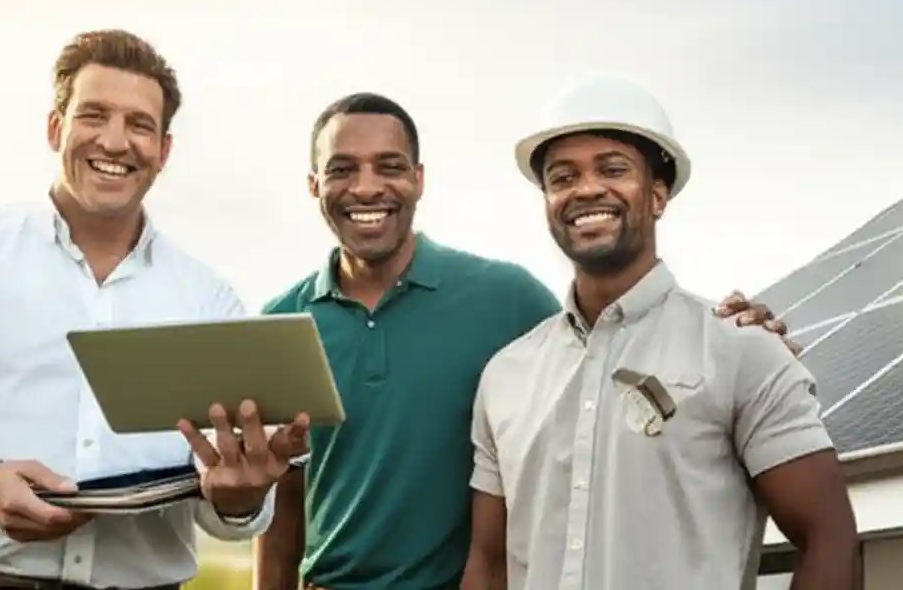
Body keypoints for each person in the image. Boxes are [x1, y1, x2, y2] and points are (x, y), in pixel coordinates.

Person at [254, 93, 798, 590]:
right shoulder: (279, 324)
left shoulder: (503, 298)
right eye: (342, 169)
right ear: (313, 185)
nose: (367, 187)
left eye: (390, 167)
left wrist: (742, 336)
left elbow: (609, 337)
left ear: (419, 179)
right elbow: (282, 510)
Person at [0, 29, 306, 590]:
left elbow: (227, 516)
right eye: (93, 115)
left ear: (164, 151)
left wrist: (242, 499)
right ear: (56, 128)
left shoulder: (208, 300)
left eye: (140, 124)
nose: (116, 142)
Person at [460, 74, 859, 590]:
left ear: (658, 194)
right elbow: (489, 564)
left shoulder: (742, 351)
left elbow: (830, 537)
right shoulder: (505, 376)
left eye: (613, 169)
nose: (585, 190)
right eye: (562, 178)